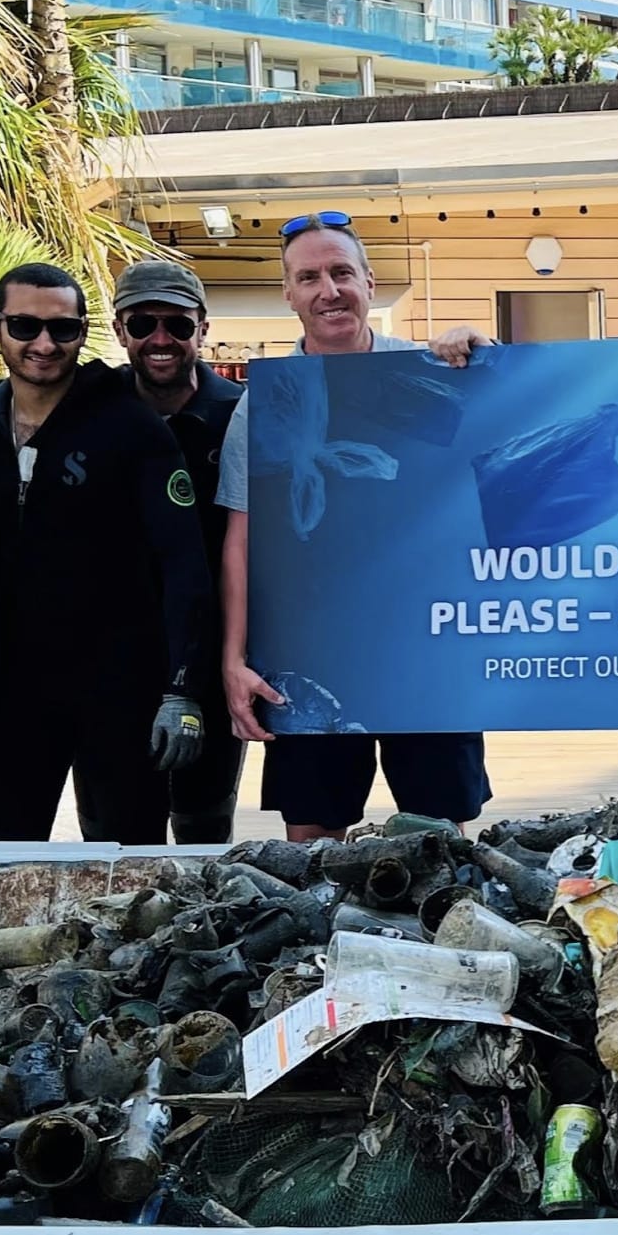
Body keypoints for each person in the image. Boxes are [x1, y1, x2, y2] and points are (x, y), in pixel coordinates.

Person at [220, 212, 491, 841]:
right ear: (289, 294)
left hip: (424, 641)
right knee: (311, 840)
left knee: (440, 841)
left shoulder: (433, 370)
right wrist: (232, 659)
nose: (328, 290)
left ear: (369, 282)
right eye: (308, 277)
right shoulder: (263, 402)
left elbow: (504, 419)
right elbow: (241, 541)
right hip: (310, 648)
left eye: (342, 272)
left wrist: (479, 351)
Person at [0, 263, 213, 847]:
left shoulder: (131, 427)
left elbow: (184, 565)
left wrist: (179, 690)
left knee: (130, 867)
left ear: (85, 332)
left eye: (63, 330)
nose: (43, 344)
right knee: (7, 863)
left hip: (121, 690)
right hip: (11, 693)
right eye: (24, 326)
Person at [112, 257, 248, 846]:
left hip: (216, 648)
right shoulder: (92, 405)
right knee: (119, 833)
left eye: (178, 324)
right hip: (115, 655)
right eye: (143, 324)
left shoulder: (244, 412)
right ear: (120, 331)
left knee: (205, 827)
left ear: (203, 328)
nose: (160, 339)